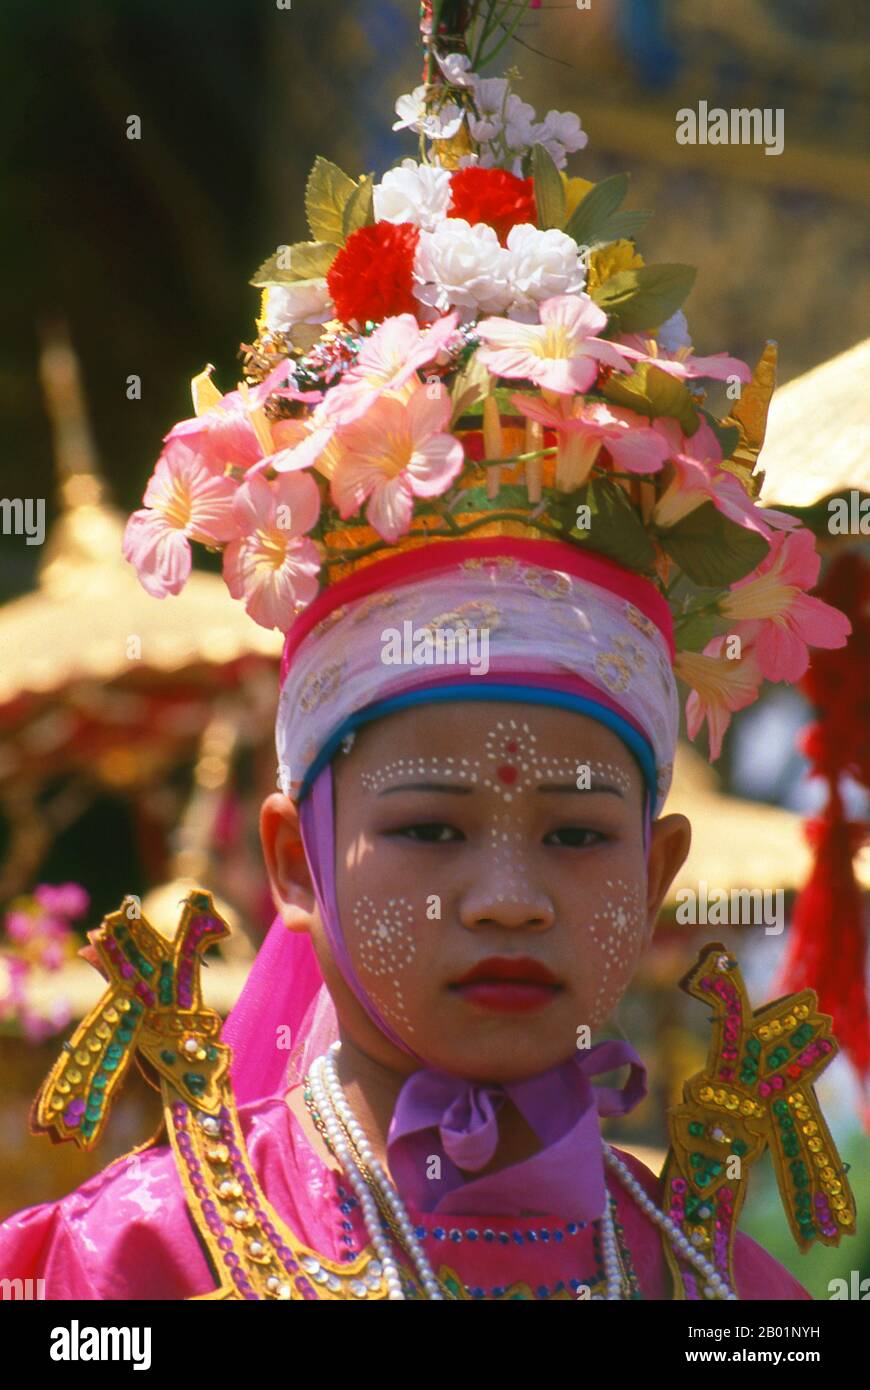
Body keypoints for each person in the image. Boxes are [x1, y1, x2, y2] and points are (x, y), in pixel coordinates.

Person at [0, 4, 856, 1300]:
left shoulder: (732, 1299)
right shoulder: (136, 1266)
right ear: (294, 859)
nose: (507, 894)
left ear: (656, 869)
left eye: (575, 835)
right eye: (430, 828)